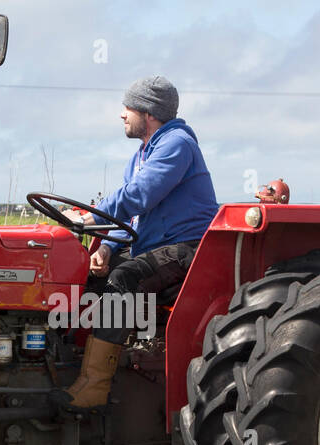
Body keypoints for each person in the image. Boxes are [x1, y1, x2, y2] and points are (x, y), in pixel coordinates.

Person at [54, 75, 218, 411]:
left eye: (128, 107)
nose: (122, 114)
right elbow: (130, 218)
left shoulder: (177, 144)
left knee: (124, 278)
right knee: (84, 271)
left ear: (150, 113)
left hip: (187, 249)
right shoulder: (142, 155)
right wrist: (104, 247)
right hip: (153, 245)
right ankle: (61, 361)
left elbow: (140, 195)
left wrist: (90, 218)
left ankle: (94, 387)